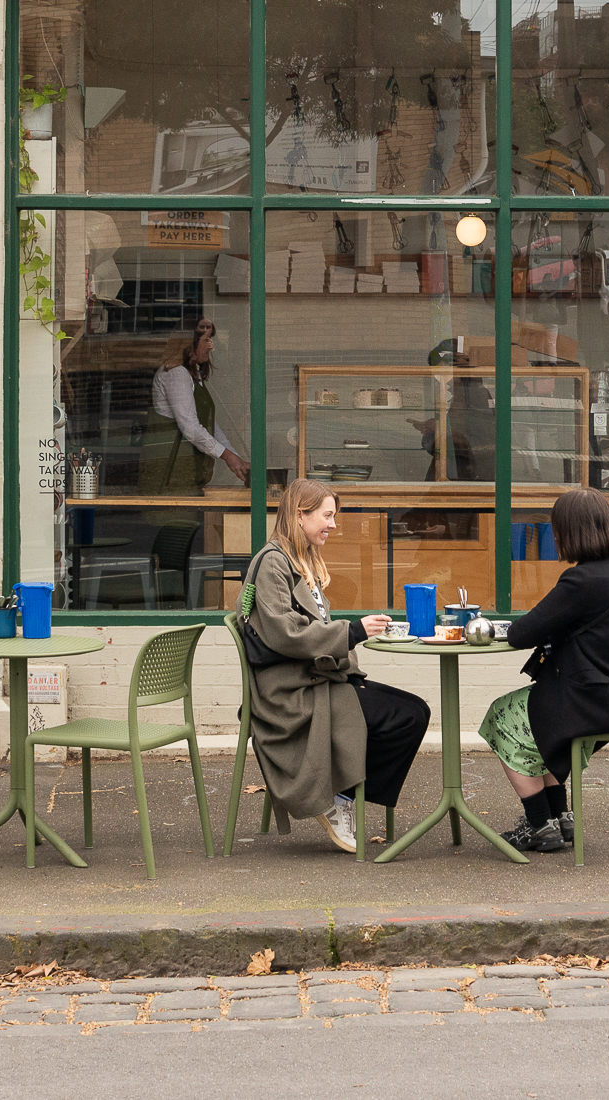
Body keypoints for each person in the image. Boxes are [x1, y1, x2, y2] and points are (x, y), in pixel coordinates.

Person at [240, 477, 430, 852]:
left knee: (415, 712)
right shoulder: (272, 564)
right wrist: (354, 632)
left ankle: (342, 794)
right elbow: (284, 634)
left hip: (315, 678)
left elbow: (309, 630)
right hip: (290, 692)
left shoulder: (301, 560)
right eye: (326, 515)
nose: (333, 524)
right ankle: (338, 798)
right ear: (300, 515)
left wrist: (349, 640)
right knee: (402, 717)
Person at [477, 486, 609, 853]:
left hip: (602, 700)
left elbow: (521, 634)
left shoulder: (583, 580)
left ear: (569, 533)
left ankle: (539, 824)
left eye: (557, 529)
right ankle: (559, 819)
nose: (554, 536)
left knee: (503, 715)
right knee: (537, 717)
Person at [144, 320, 248, 488]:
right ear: (189, 344)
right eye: (206, 340)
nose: (211, 346)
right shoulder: (176, 374)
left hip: (186, 473)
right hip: (168, 475)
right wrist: (228, 456)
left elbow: (209, 424)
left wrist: (235, 458)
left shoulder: (192, 375)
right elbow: (190, 427)